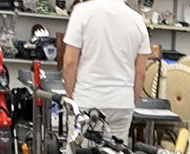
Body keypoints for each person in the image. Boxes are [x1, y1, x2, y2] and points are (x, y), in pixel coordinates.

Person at [63, 0, 151, 143]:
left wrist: (69, 95)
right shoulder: (137, 20)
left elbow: (69, 62)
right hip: (121, 103)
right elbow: (141, 73)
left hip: (87, 99)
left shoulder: (82, 12)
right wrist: (129, 100)